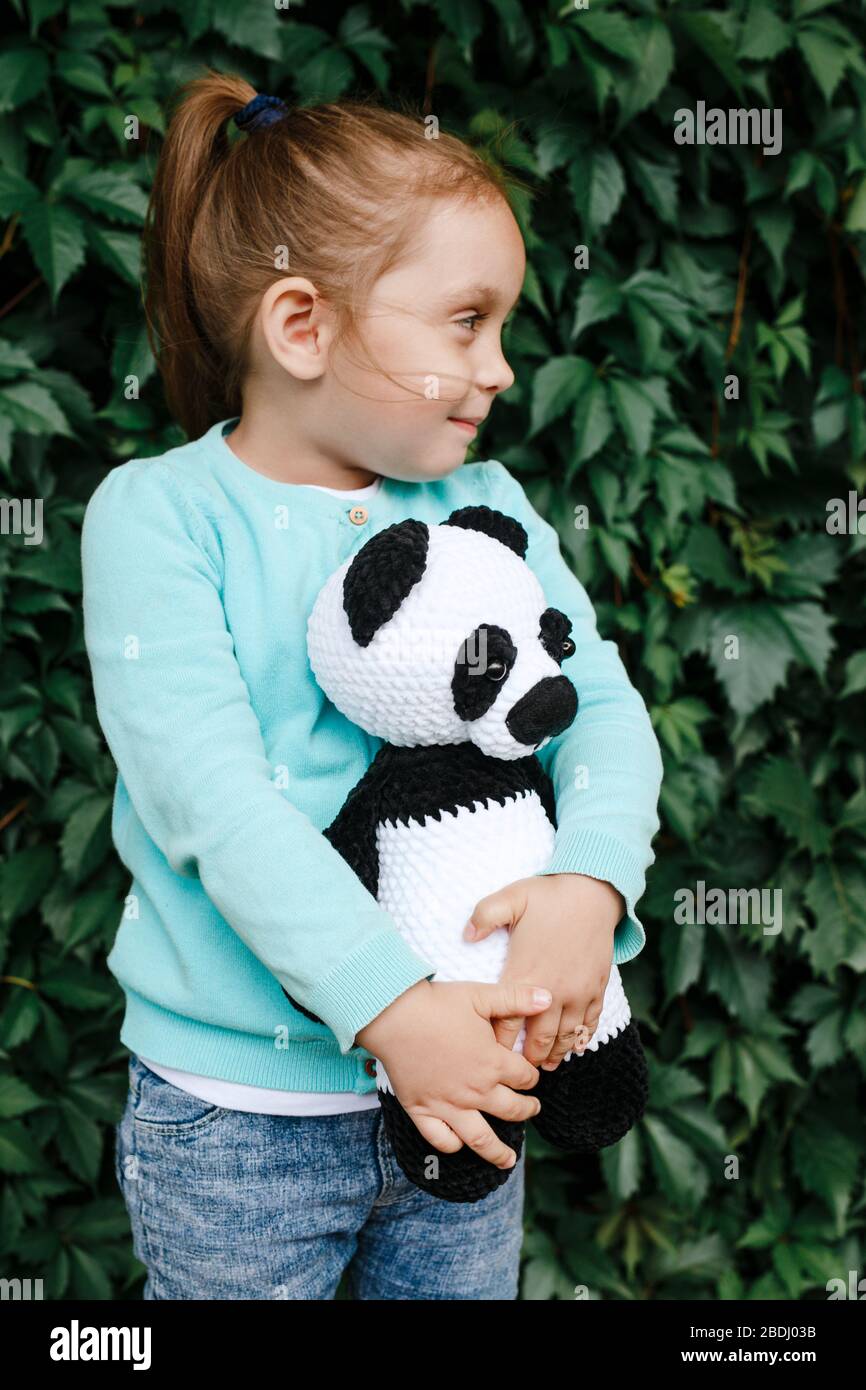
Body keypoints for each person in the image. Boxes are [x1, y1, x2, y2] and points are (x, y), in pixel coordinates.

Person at [81, 72, 663, 1300]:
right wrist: (394, 1011)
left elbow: (598, 708)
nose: (501, 367)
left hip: (476, 1092)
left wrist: (588, 883)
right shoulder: (166, 519)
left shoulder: (487, 508)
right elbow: (214, 805)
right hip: (244, 1124)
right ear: (302, 326)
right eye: (465, 321)